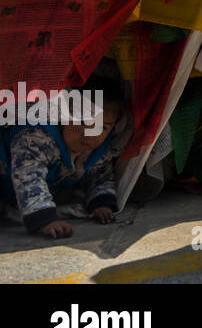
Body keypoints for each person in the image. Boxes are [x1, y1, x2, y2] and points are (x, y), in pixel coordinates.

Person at [1, 83, 123, 238]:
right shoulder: (36, 136)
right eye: (82, 122)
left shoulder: (99, 150)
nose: (90, 134)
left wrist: (101, 204)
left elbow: (100, 177)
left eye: (103, 127)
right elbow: (29, 178)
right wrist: (45, 220)